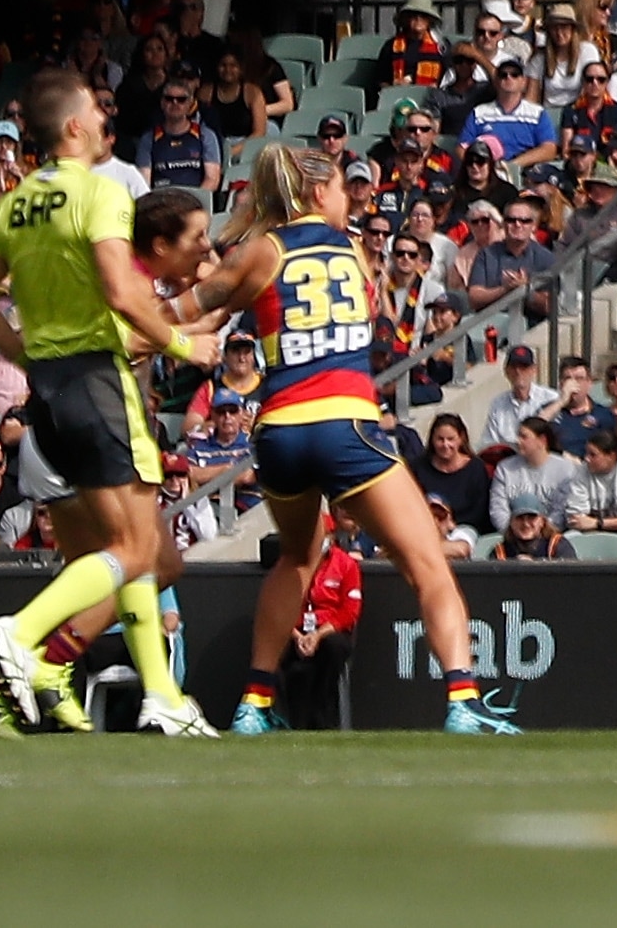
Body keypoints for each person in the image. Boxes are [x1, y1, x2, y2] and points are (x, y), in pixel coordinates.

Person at [159, 146, 516, 734]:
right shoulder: (352, 249)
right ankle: (463, 700)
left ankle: (254, 704)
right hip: (344, 422)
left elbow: (200, 311)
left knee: (298, 557)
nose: (348, 198)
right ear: (317, 194)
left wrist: (148, 321)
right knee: (428, 562)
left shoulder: (262, 252)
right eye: (339, 190)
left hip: (276, 432)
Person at [0, 71, 221, 738]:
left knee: (130, 548)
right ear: (73, 127)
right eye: (98, 114)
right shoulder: (98, 192)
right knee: (138, 548)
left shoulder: (12, 204)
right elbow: (121, 293)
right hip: (98, 381)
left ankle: (156, 693)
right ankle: (24, 637)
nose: (106, 122)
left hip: (48, 389)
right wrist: (185, 343)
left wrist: (21, 351)